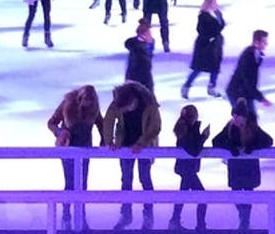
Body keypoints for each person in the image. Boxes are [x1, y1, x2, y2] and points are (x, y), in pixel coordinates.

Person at [103, 80, 161, 229]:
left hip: (146, 146)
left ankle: (148, 216)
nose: (125, 111)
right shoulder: (119, 101)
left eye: (127, 108)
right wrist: (109, 140)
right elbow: (108, 120)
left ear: (134, 100)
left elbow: (155, 127)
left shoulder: (149, 103)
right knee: (126, 179)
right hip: (125, 145)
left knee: (145, 178)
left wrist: (141, 143)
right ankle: (126, 214)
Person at [47, 85, 104, 229]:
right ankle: (66, 217)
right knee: (70, 183)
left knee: (83, 185)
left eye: (90, 102)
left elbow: (101, 125)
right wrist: (60, 133)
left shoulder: (94, 108)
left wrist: (105, 139)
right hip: (68, 148)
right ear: (80, 99)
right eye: (86, 101)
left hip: (85, 149)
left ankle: (82, 219)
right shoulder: (67, 104)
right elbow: (51, 122)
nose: (88, 104)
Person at [215, 100, 275, 233]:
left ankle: (245, 220)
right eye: (234, 116)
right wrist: (230, 148)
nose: (235, 119)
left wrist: (251, 147)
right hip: (236, 168)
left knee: (248, 193)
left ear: (244, 116)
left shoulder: (253, 127)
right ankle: (243, 217)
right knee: (235, 193)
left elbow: (268, 140)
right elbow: (216, 141)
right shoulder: (230, 127)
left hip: (249, 168)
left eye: (237, 116)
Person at [169, 104, 212, 232]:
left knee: (182, 195)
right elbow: (194, 150)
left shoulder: (184, 128)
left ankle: (175, 221)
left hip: (185, 168)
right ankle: (200, 226)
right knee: (203, 197)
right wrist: (204, 136)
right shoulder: (187, 129)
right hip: (188, 169)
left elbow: (192, 146)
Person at [185, 0, 227, 98]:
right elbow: (200, 29)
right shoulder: (203, 15)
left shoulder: (217, 13)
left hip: (216, 45)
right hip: (206, 45)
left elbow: (221, 25)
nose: (215, 4)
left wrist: (218, 14)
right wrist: (209, 37)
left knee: (215, 68)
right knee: (199, 68)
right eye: (213, 2)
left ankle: (211, 87)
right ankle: (186, 86)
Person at [226, 30, 271, 110]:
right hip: (237, 92)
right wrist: (261, 98)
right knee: (244, 118)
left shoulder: (258, 54)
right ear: (256, 41)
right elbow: (247, 80)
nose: (266, 44)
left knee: (250, 118)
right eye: (264, 41)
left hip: (245, 92)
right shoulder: (248, 56)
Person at [124, 19, 158, 91]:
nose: (150, 34)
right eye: (148, 32)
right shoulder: (135, 44)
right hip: (134, 76)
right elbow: (129, 44)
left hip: (146, 75)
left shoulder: (150, 43)